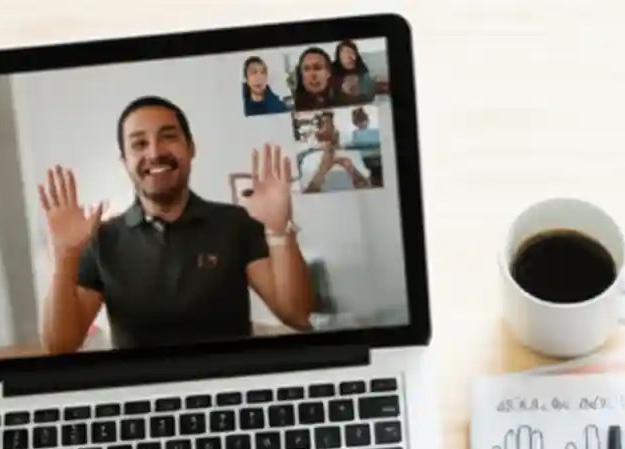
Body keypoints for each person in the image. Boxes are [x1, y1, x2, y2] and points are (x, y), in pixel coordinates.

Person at [38, 96, 313, 352]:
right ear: (125, 161)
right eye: (139, 144)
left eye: (168, 137)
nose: (155, 152)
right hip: (140, 394)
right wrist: (65, 257)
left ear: (191, 148)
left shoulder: (235, 223)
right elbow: (60, 346)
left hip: (229, 383)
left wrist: (279, 229)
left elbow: (297, 315)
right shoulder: (103, 239)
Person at [332, 40, 376, 104]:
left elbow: (368, 88)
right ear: (339, 56)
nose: (348, 55)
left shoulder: (361, 66)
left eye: (351, 52)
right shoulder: (332, 68)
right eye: (345, 52)